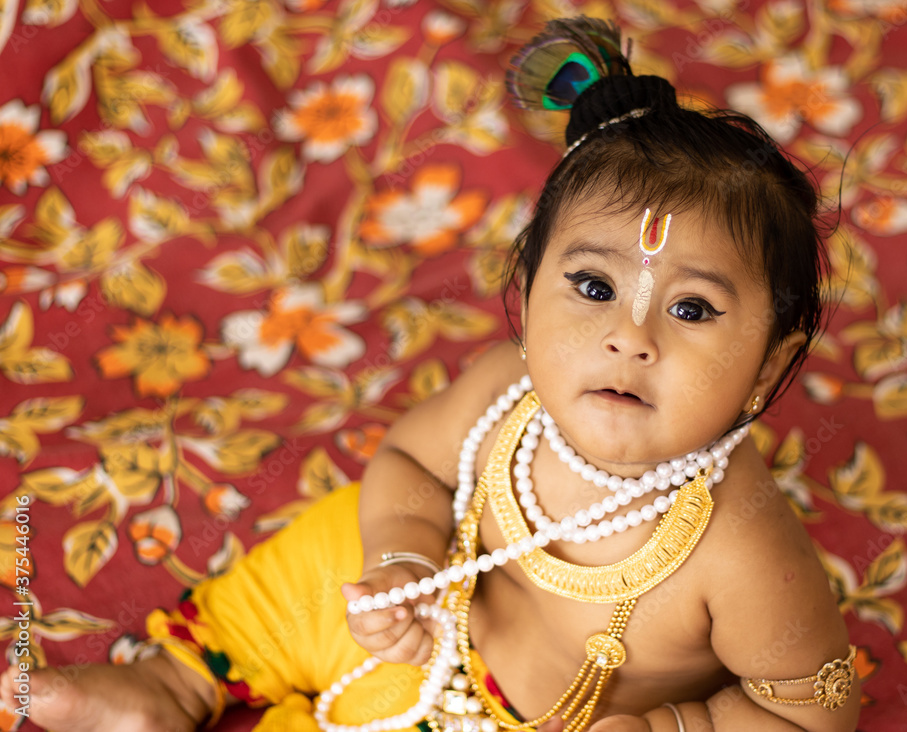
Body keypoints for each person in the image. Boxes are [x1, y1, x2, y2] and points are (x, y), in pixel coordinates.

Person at [1, 16, 860, 732]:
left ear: (768, 367)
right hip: (416, 628)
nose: (628, 337)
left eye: (693, 309)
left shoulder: (743, 548)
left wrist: (675, 727)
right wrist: (401, 563)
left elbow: (811, 709)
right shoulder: (503, 396)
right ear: (525, 300)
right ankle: (175, 682)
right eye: (593, 288)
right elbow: (409, 467)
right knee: (324, 549)